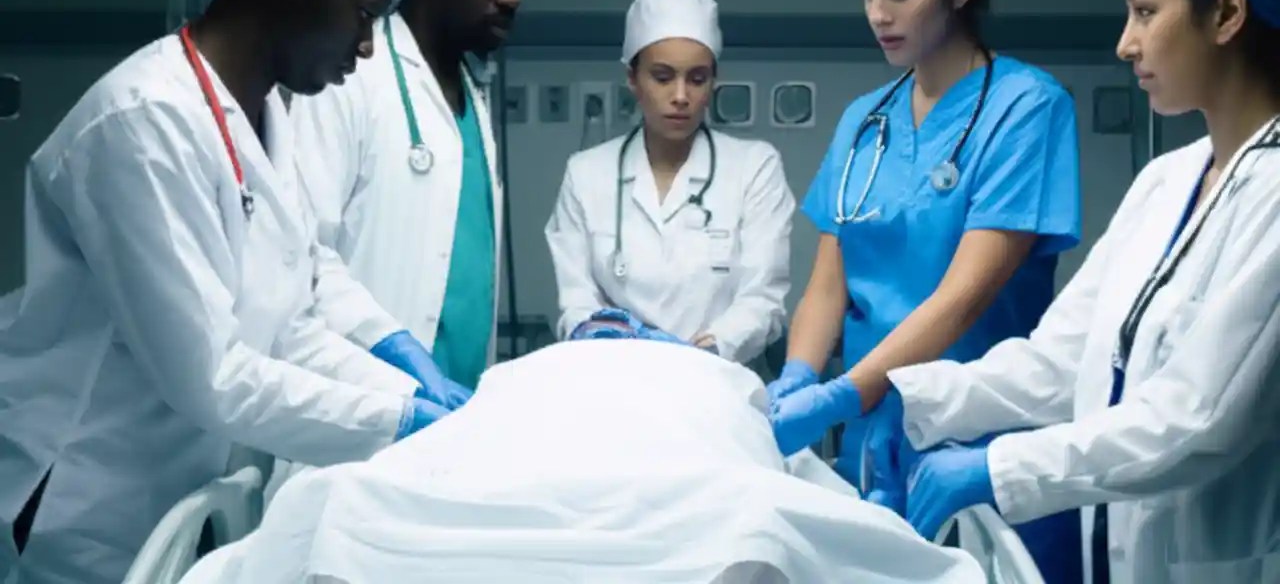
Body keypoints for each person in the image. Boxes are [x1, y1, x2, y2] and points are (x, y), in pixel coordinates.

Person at [0, 0, 457, 582]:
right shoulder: (144, 123)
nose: (367, 47)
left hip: (177, 488)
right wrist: (398, 426)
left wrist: (412, 398)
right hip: (82, 496)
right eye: (362, 13)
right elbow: (212, 375)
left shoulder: (269, 115)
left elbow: (293, 323)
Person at [868, 0, 1280, 584]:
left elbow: (1195, 421)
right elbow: (1063, 361)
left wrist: (996, 469)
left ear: (1228, 14)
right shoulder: (1166, 181)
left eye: (1146, 12)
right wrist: (918, 400)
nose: (1125, 42)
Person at [765, 0, 1083, 582]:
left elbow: (964, 297)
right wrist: (797, 376)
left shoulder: (1026, 110)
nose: (877, 14)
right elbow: (828, 282)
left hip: (982, 446)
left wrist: (846, 391)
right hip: (872, 445)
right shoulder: (865, 120)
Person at [177, 337, 986, 584]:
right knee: (346, 494)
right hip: (543, 462)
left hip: (696, 462)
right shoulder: (522, 374)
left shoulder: (713, 382)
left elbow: (755, 455)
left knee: (747, 506)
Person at [291, 0, 532, 392]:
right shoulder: (349, 77)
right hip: (364, 396)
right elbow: (302, 255)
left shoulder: (471, 94)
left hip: (458, 408)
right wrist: (385, 343)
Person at [544, 0, 795, 364]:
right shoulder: (586, 173)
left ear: (713, 82)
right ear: (633, 79)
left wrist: (701, 353)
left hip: (717, 380)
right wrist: (611, 344)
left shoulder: (754, 167)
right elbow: (576, 302)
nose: (681, 96)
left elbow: (762, 300)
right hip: (616, 379)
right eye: (662, 77)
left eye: (697, 78)